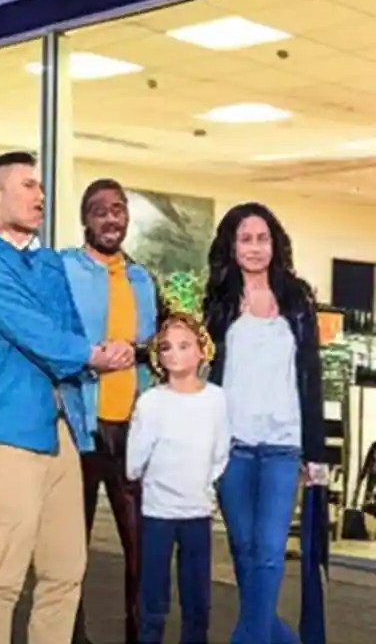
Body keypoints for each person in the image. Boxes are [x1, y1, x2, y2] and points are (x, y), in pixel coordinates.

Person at [0, 151, 134, 644]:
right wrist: (96, 354)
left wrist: (91, 351)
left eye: (41, 187)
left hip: (61, 435)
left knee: (65, 572)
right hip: (5, 437)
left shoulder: (48, 263)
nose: (40, 196)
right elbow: (38, 334)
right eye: (28, 186)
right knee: (1, 580)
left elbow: (66, 328)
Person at [202, 202, 329, 644]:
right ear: (231, 247)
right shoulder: (218, 302)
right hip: (232, 446)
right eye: (245, 239)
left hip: (283, 446)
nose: (255, 248)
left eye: (262, 239)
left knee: (271, 554)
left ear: (275, 244)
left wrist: (316, 453)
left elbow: (311, 376)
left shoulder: (297, 301)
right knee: (244, 553)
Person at [61, 179, 158, 644]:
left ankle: (137, 633)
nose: (111, 218)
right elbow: (53, 340)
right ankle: (73, 636)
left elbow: (154, 353)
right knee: (71, 547)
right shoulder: (63, 270)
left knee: (140, 547)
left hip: (131, 429)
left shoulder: (142, 280)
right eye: (100, 211)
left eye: (118, 209)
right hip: (80, 426)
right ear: (86, 219)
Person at [126, 313, 230, 644]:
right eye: (167, 347)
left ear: (202, 350)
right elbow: (134, 460)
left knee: (197, 603)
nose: (175, 354)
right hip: (157, 514)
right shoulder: (151, 402)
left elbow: (221, 452)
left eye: (184, 346)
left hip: (197, 514)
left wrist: (203, 486)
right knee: (153, 601)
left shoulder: (217, 399)